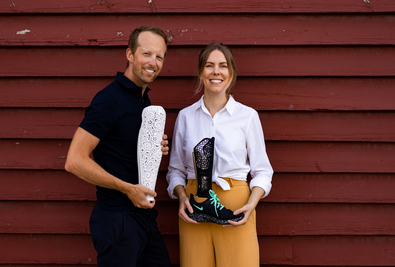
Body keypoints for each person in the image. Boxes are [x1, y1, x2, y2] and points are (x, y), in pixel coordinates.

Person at [65, 25, 172, 267]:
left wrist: (155, 147)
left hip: (143, 217)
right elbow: (75, 160)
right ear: (129, 54)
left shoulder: (143, 100)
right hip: (117, 220)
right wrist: (127, 189)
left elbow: (124, 147)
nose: (153, 62)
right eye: (146, 54)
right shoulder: (109, 99)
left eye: (159, 56)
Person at [166, 42, 273, 267]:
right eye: (209, 65)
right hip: (194, 205)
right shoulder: (185, 117)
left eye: (223, 66)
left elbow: (262, 170)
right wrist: (182, 197)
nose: (216, 71)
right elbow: (175, 169)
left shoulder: (247, 116)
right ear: (200, 72)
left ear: (231, 73)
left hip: (236, 206)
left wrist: (251, 205)